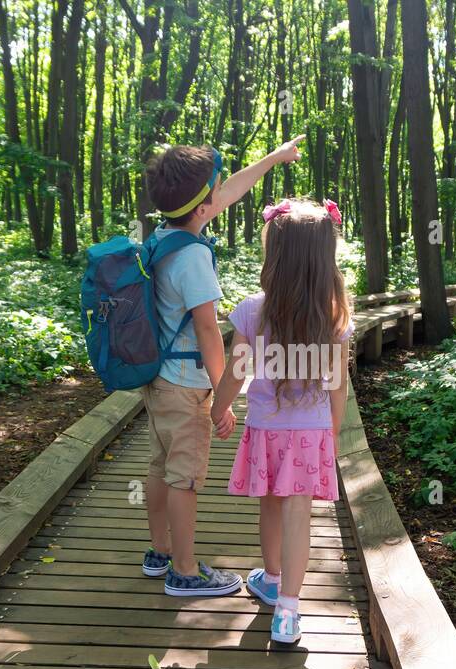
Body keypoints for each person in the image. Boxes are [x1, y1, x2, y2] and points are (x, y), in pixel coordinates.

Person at [139, 137, 304, 597]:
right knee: (185, 478)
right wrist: (221, 396)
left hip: (158, 379)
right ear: (202, 205)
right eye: (214, 190)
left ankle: (159, 552)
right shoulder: (194, 257)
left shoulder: (165, 237)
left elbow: (228, 191)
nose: (221, 195)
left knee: (159, 466)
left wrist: (274, 158)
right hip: (187, 386)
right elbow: (210, 332)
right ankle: (186, 571)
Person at [208, 197, 353, 642]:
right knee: (299, 514)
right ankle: (288, 610)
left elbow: (236, 371)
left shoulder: (254, 309)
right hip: (310, 433)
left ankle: (271, 579)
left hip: (266, 429)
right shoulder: (334, 313)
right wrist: (332, 432)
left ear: (277, 257)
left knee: (269, 501)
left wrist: (217, 408)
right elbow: (338, 383)